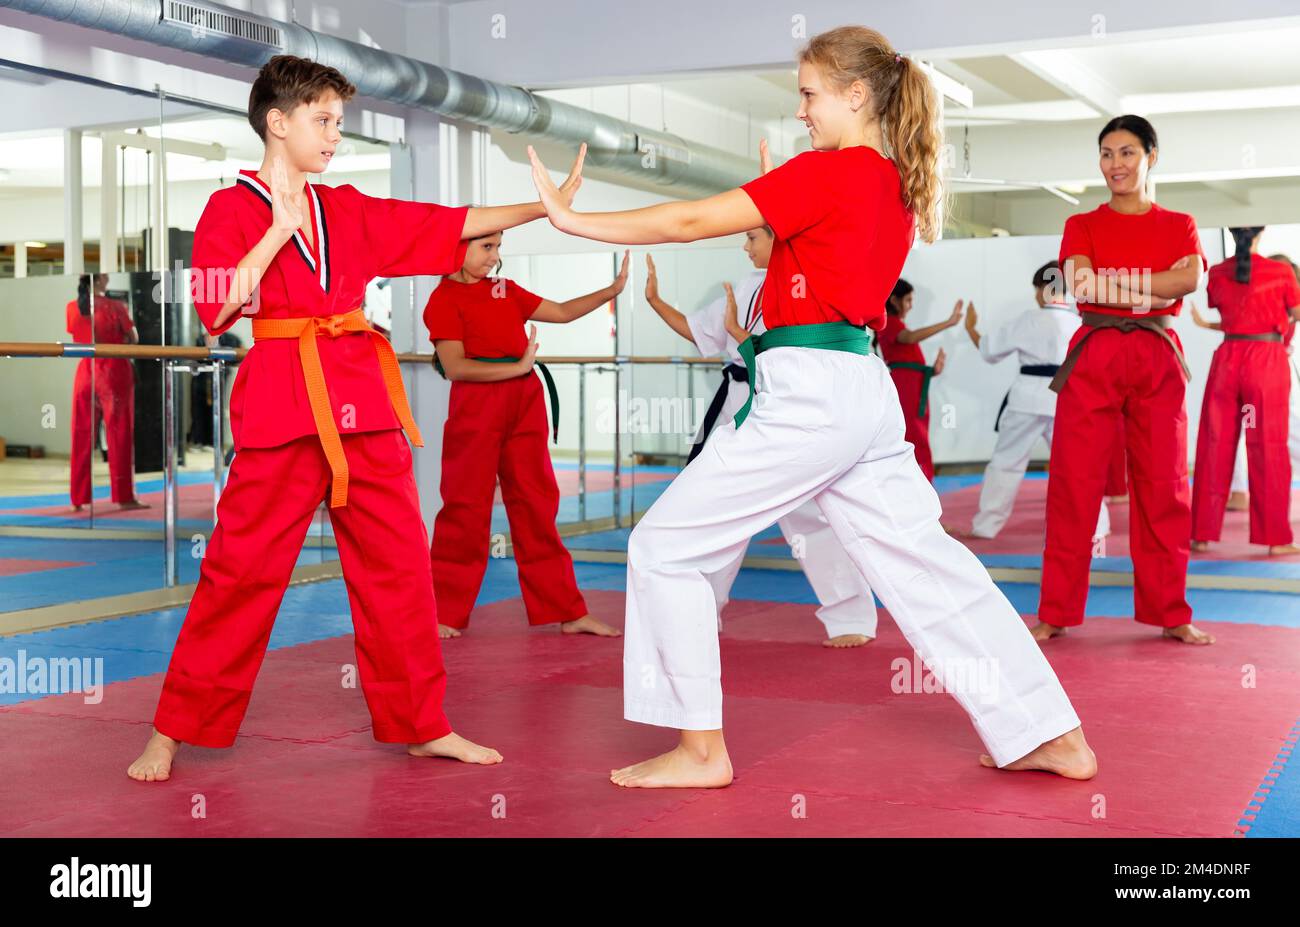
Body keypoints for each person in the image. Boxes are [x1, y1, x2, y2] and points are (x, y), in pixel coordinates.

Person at [528, 25, 1096, 788]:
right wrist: (780, 208)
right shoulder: (888, 182)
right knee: (929, 565)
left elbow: (691, 221)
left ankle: (700, 748)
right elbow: (803, 268)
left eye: (809, 94)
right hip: (857, 388)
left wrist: (575, 221)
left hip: (810, 397)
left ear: (855, 93)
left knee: (664, 548)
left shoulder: (833, 173)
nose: (800, 110)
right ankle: (1047, 730)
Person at [126, 54, 586, 781]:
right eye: (322, 120)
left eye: (339, 121)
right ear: (278, 123)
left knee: (401, 570)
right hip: (283, 406)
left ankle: (423, 723)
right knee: (239, 574)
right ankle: (173, 728)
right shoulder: (228, 209)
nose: (336, 134)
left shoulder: (345, 208)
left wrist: (541, 208)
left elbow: (447, 223)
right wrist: (277, 231)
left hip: (361, 407)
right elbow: (216, 309)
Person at [643, 216, 877, 647]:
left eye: (751, 237)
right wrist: (656, 301)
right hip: (739, 402)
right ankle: (700, 613)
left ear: (780, 238)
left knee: (809, 514)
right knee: (720, 508)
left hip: (789, 402)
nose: (745, 246)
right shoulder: (745, 285)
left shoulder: (812, 282)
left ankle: (850, 616)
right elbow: (702, 333)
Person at [1035, 114, 1214, 645]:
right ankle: (1056, 611)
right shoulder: (1081, 224)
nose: (1116, 164)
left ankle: (1170, 612)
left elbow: (1191, 280)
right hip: (1094, 353)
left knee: (1165, 485)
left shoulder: (1179, 222)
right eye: (1107, 153)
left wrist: (1113, 284)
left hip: (1158, 354)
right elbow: (1079, 283)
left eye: (1127, 152)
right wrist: (1154, 291)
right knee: (1074, 483)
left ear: (1150, 157)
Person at [424, 232, 626, 638]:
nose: (495, 257)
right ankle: (443, 612)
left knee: (537, 504)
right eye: (487, 248)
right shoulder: (443, 300)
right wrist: (516, 369)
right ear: (457, 247)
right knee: (465, 507)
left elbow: (564, 312)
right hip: (477, 405)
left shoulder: (505, 289)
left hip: (525, 402)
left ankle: (568, 611)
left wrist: (613, 289)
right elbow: (457, 367)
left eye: (498, 248)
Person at [957, 261, 1110, 540]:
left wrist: (971, 328)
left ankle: (986, 527)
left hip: (1026, 400)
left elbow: (989, 351)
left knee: (1006, 463)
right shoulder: (1081, 323)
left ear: (1042, 289)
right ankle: (1097, 527)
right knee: (1079, 465)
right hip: (1066, 399)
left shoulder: (1027, 320)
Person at [1189, 227, 1300, 555]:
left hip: (1227, 361)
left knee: (1214, 445)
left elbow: (1229, 315)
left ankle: (1201, 534)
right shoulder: (1281, 272)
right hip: (1265, 361)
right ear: (1261, 232)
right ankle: (1275, 539)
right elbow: (1294, 315)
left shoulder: (1217, 273)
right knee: (1268, 447)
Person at [67, 273, 145, 511]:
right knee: (119, 435)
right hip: (113, 370)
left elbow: (77, 336)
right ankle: (124, 497)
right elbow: (134, 339)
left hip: (85, 370)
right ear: (99, 280)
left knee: (81, 435)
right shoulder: (115, 306)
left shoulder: (72, 306)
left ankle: (78, 500)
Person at [874, 278, 962, 481]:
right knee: (914, 437)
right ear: (894, 300)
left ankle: (919, 485)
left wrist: (932, 370)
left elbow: (908, 354)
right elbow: (910, 338)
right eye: (908, 300)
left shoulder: (896, 325)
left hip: (914, 384)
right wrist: (948, 323)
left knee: (917, 436)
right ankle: (917, 487)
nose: (911, 305)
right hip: (907, 387)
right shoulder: (890, 323)